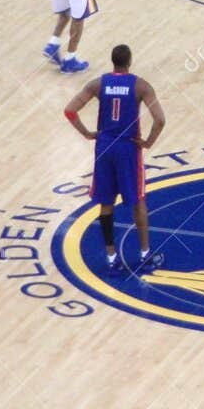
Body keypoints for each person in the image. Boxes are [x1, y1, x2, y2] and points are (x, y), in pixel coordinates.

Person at [62, 44, 165, 273]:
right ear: (129, 61)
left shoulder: (98, 84)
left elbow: (70, 110)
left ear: (112, 62)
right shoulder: (140, 86)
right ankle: (145, 253)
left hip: (105, 147)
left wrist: (87, 134)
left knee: (106, 204)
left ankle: (111, 257)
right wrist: (148, 142)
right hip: (128, 148)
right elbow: (160, 120)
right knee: (138, 201)